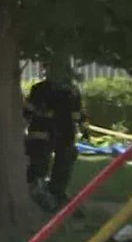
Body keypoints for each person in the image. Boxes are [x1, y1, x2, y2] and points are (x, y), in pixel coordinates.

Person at [25, 62, 90, 210]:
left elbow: (79, 112)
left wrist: (84, 128)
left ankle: (57, 192)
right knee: (39, 160)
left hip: (64, 132)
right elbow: (28, 110)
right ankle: (38, 189)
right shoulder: (40, 89)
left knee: (65, 161)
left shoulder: (72, 91)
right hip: (43, 131)